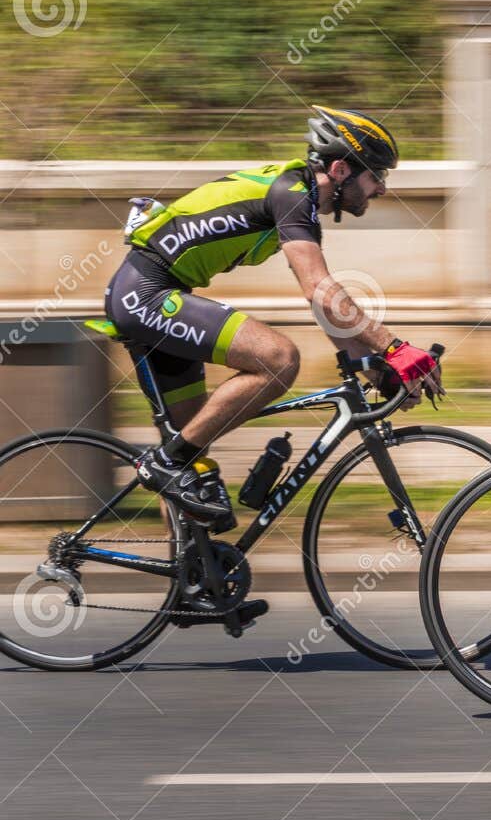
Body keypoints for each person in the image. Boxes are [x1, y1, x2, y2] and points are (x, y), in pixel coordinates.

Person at [105, 106, 442, 527]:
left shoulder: (298, 199)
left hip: (156, 293)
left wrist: (375, 368)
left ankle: (192, 587)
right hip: (147, 294)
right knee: (278, 359)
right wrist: (394, 347)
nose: (382, 190)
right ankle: (165, 464)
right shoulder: (291, 192)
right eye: (376, 176)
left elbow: (323, 304)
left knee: (191, 451)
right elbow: (320, 288)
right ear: (340, 169)